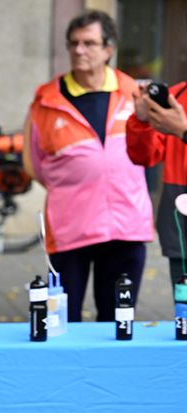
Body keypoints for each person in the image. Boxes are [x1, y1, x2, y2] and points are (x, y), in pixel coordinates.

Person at [23, 9, 153, 322]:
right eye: (74, 43)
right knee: (63, 322)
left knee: (117, 321)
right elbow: (33, 163)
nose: (79, 50)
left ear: (109, 49)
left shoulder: (134, 93)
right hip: (71, 227)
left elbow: (151, 151)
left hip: (125, 227)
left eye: (89, 43)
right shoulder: (46, 101)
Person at [127, 79, 187, 297]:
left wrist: (183, 131)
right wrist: (142, 122)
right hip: (181, 226)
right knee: (184, 315)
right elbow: (144, 156)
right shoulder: (175, 96)